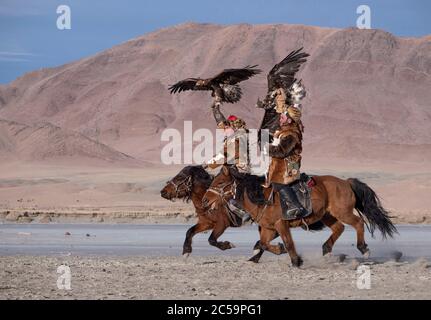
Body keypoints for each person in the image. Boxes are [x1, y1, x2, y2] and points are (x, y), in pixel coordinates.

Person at [205, 102, 252, 223]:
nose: (224, 131)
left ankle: (241, 209)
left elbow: (228, 156)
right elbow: (223, 153)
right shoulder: (231, 138)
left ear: (233, 127)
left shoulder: (238, 138)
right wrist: (215, 110)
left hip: (240, 168)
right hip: (233, 167)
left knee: (225, 179)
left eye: (226, 128)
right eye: (224, 129)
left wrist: (211, 164)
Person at [266, 92, 307, 220]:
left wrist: (267, 148)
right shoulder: (284, 131)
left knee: (278, 183)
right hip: (281, 164)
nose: (281, 118)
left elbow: (282, 151)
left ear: (289, 120)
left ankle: (296, 206)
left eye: (283, 117)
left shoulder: (291, 134)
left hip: (289, 165)